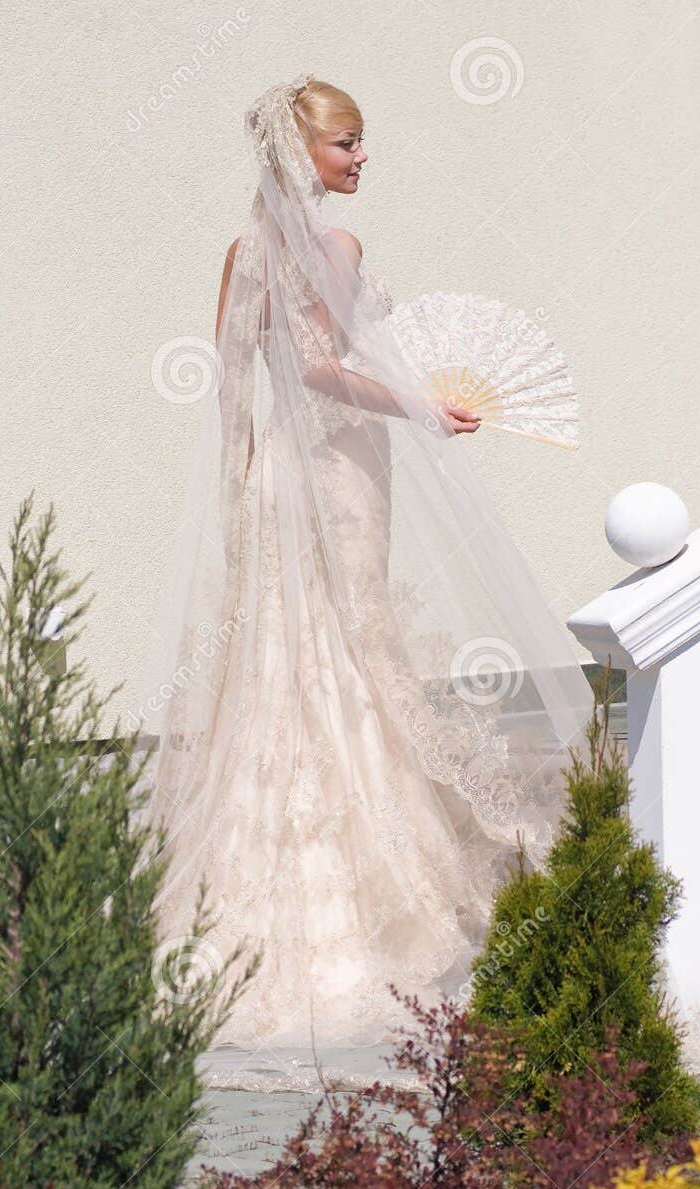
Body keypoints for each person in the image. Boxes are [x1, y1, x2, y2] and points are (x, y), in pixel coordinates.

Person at [141, 75, 593, 1061]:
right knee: (345, 656)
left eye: (359, 141)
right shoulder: (333, 248)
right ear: (300, 154)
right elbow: (315, 368)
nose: (359, 158)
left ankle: (247, 910)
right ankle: (371, 903)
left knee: (278, 675)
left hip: (276, 487)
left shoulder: (241, 253)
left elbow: (234, 388)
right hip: (335, 480)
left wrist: (245, 489)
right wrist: (420, 407)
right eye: (345, 144)